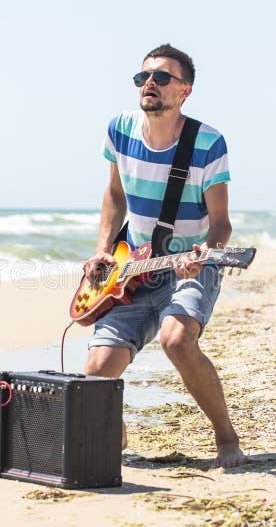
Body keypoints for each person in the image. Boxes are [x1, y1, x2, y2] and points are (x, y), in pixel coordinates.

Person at [83, 44, 245, 469]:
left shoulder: (207, 143)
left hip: (192, 263)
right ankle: (113, 438)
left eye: (161, 77)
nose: (149, 84)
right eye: (143, 77)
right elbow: (115, 196)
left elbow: (222, 224)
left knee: (177, 340)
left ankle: (227, 440)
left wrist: (203, 255)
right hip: (132, 267)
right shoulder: (119, 129)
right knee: (96, 374)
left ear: (184, 91)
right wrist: (103, 250)